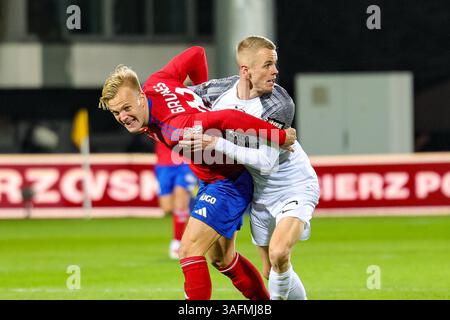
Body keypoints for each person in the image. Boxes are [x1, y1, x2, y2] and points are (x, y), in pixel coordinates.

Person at [98, 46, 297, 300]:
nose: (123, 117)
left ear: (140, 95)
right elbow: (196, 53)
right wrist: (203, 96)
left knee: (189, 251)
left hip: (228, 181)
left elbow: (228, 118)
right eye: (116, 112)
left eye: (126, 108)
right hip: (213, 178)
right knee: (222, 259)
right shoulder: (158, 81)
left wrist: (278, 136)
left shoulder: (174, 127)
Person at [183, 36, 320, 300]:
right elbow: (181, 98)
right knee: (271, 270)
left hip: (293, 184)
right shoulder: (216, 92)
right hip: (260, 193)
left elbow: (265, 163)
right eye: (268, 65)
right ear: (246, 71)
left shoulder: (278, 103)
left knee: (280, 253)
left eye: (275, 64)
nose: (275, 71)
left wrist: (215, 142)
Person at [154, 141, 197, 259]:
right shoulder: (157, 122)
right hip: (163, 164)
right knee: (167, 208)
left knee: (181, 202)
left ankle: (177, 242)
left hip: (185, 163)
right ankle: (191, 231)